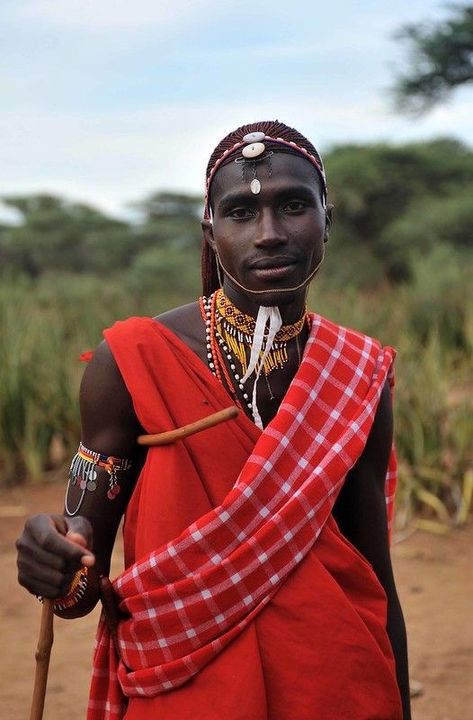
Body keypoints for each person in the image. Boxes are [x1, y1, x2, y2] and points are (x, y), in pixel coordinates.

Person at [16, 120, 411, 720]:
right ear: (211, 232)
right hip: (187, 691)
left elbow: (374, 580)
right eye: (241, 213)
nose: (270, 234)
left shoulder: (358, 374)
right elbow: (78, 585)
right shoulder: (129, 363)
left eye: (294, 206)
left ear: (327, 219)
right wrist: (58, 563)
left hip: (336, 686)